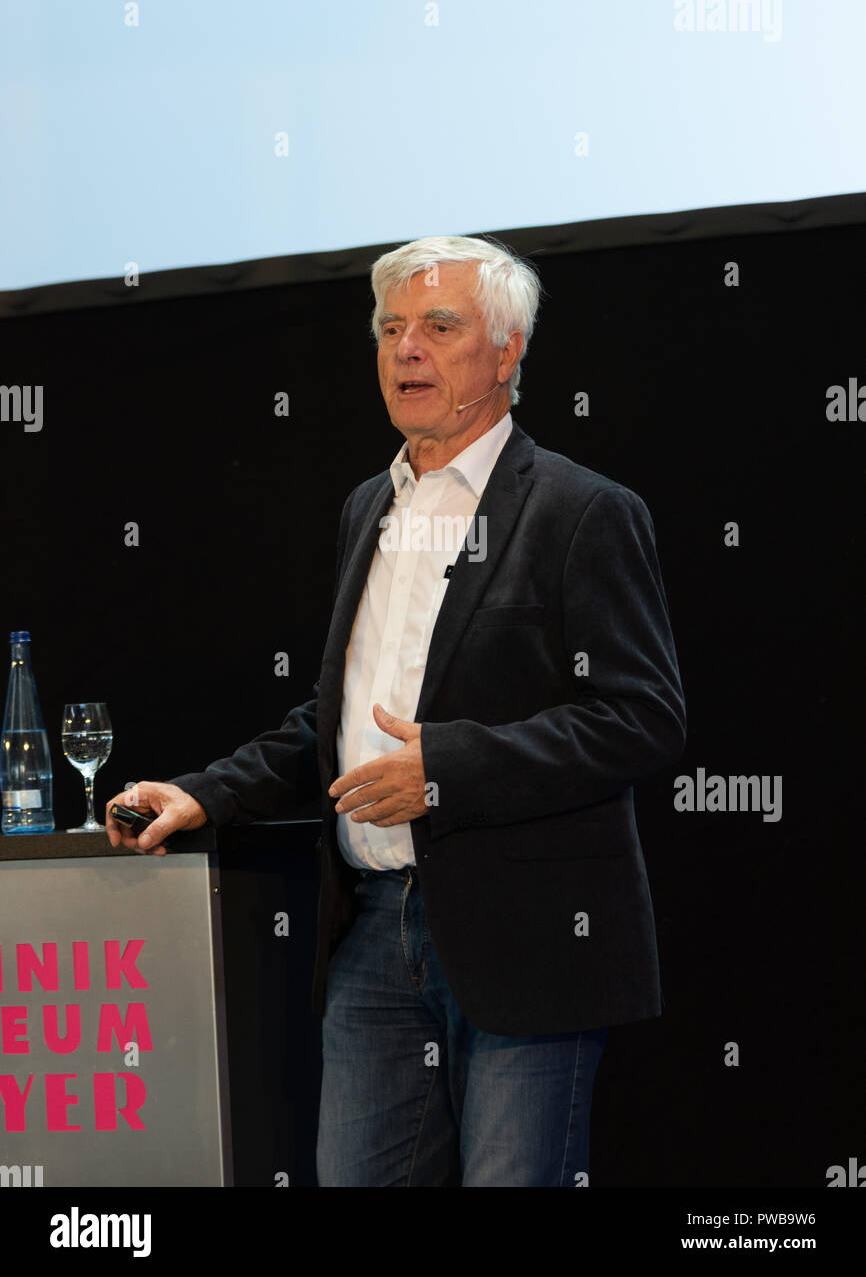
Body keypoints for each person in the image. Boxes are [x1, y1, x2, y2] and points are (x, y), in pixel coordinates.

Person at [105, 234, 686, 1187]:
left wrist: (446, 770)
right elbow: (336, 722)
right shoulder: (367, 507)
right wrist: (206, 793)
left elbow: (642, 716)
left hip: (530, 939)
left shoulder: (584, 511)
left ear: (508, 352)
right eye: (389, 328)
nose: (405, 349)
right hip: (373, 932)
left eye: (439, 326)